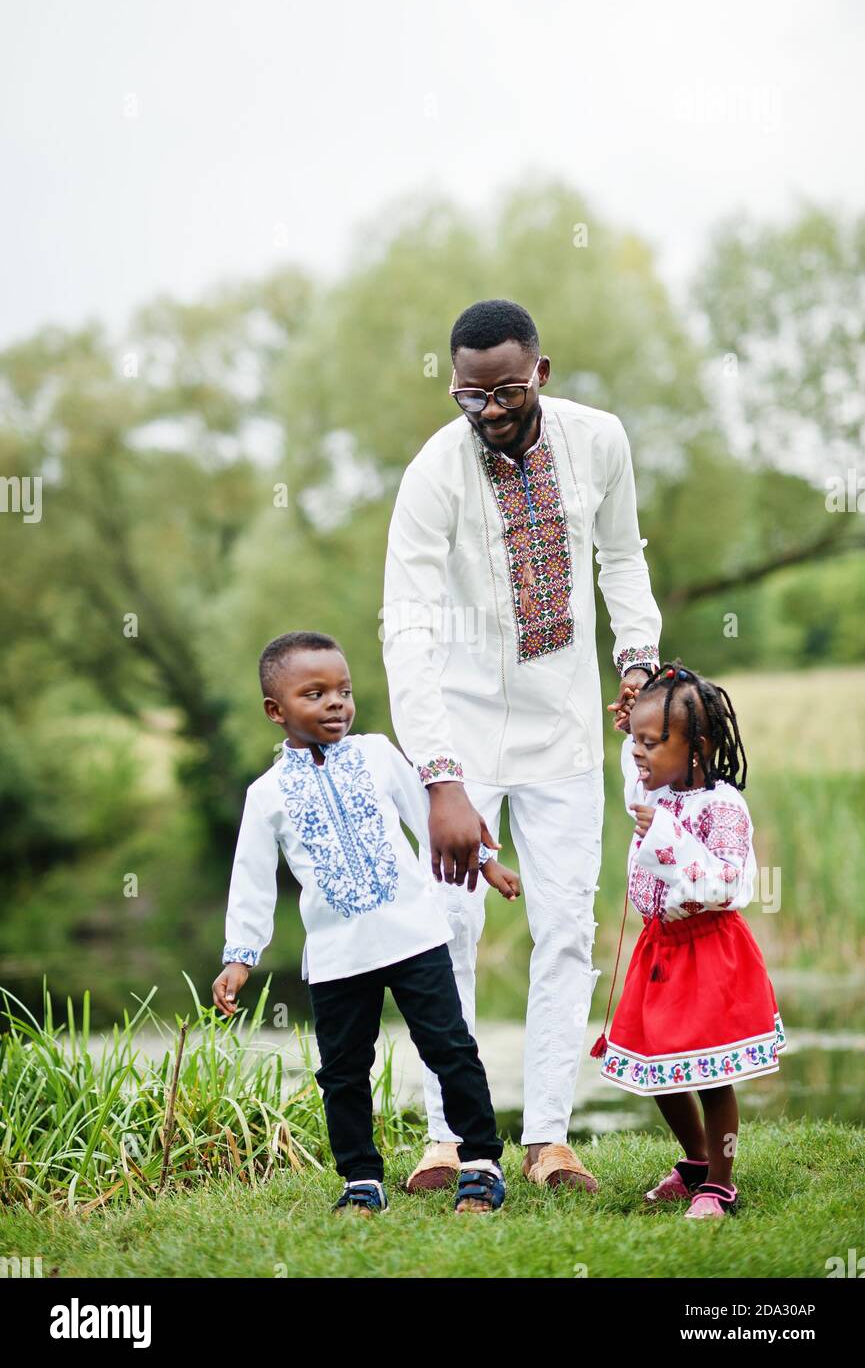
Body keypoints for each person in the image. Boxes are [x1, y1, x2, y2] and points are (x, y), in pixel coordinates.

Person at [381, 298, 662, 1193]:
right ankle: (449, 1140)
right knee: (450, 928)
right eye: (470, 395)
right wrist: (439, 776)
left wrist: (638, 660)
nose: (489, 411)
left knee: (566, 931)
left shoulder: (599, 441)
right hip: (460, 735)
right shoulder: (435, 472)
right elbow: (407, 628)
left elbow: (621, 557)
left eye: (504, 390)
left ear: (540, 372)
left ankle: (548, 1140)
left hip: (568, 729)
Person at [212, 630, 521, 1215]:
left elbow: (431, 813)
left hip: (415, 937)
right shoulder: (266, 794)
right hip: (337, 958)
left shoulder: (378, 753)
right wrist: (239, 957)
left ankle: (480, 1163)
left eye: (344, 691)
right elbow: (250, 879)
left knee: (450, 1047)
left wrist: (486, 861)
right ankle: (361, 1179)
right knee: (344, 1073)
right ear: (276, 711)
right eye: (316, 693)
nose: (337, 703)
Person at [593, 659, 787, 1219]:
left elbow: (727, 883)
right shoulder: (657, 783)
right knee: (658, 1068)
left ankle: (720, 1183)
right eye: (636, 742)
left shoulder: (721, 805)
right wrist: (637, 719)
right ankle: (696, 1161)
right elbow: (641, 763)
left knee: (710, 1072)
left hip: (707, 947)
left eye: (652, 743)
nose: (638, 754)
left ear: (697, 747)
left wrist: (665, 834)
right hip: (658, 948)